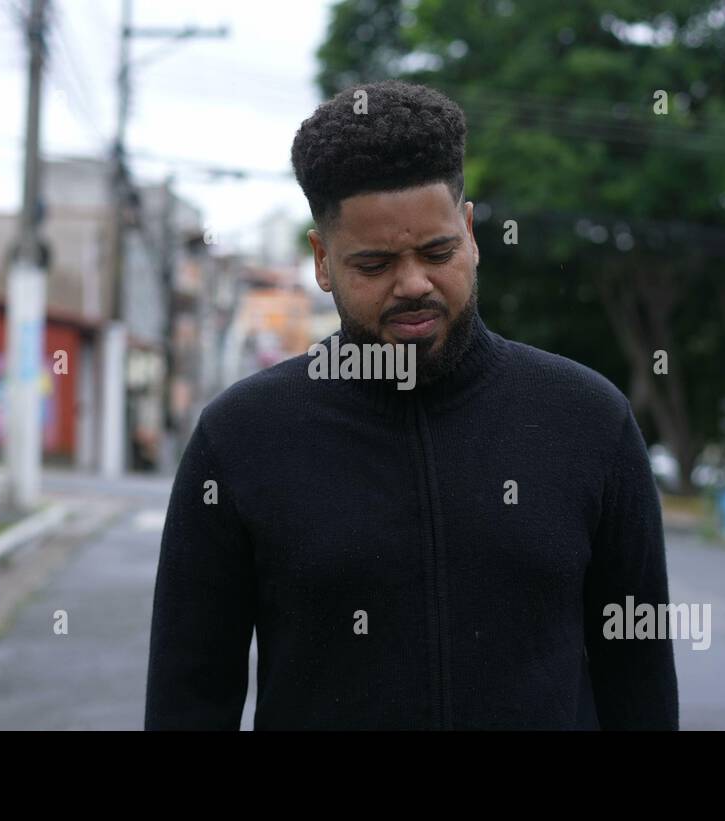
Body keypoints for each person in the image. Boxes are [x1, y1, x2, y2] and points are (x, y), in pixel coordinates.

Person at [144, 80, 679, 730]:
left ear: (471, 233)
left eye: (437, 251)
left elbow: (640, 684)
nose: (414, 284)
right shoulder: (239, 439)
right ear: (321, 260)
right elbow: (188, 697)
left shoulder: (590, 421)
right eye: (374, 264)